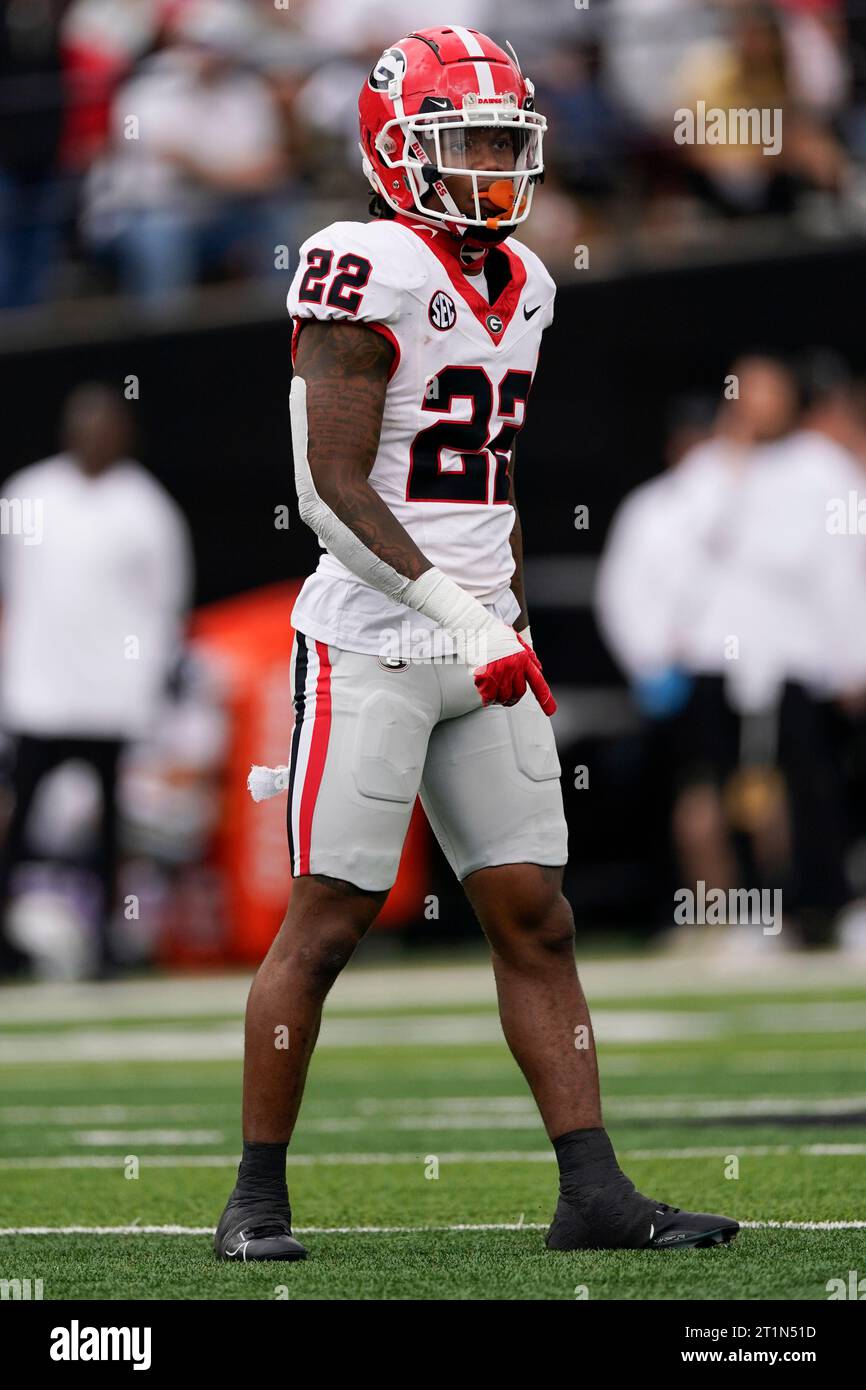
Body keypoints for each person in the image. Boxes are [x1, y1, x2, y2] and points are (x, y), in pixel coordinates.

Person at [214, 26, 738, 1263]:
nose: (498, 164)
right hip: (373, 640)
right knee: (329, 920)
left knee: (535, 913)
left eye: (509, 140)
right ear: (398, 152)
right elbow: (327, 488)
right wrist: (462, 615)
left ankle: (592, 1192)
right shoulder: (360, 263)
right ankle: (253, 1200)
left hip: (479, 638)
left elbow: (475, 491)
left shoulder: (531, 284)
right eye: (473, 143)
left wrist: (497, 620)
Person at [0, 384, 191, 976]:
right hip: (39, 694)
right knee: (20, 820)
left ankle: (109, 938)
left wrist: (150, 682)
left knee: (112, 827)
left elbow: (167, 604)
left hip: (111, 699)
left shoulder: (147, 508)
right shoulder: (27, 494)